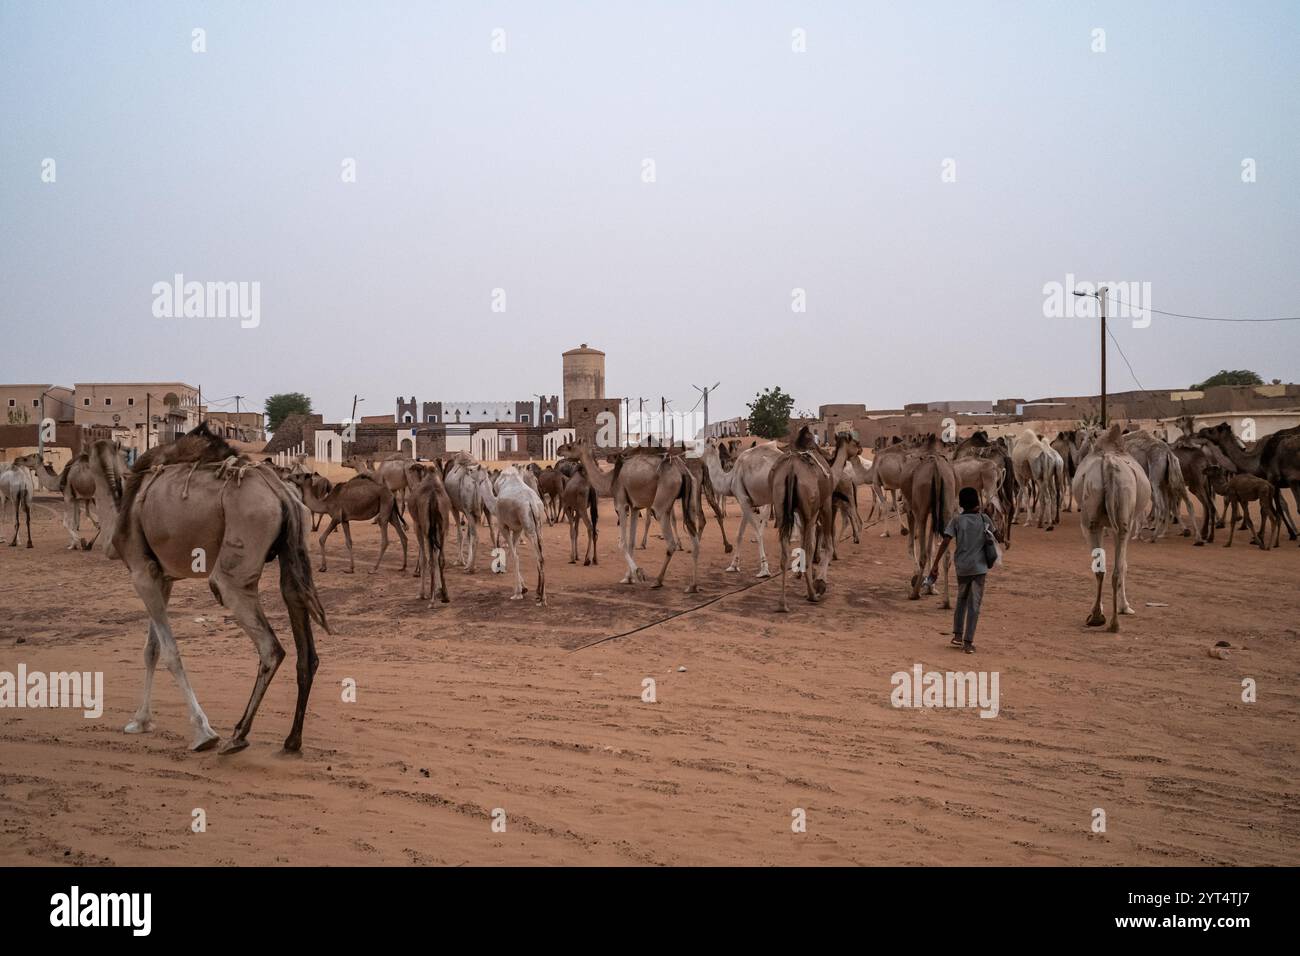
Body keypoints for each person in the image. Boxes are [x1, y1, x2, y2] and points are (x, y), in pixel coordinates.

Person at [927, 486, 996, 654]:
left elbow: (945, 541)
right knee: (975, 604)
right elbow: (997, 536)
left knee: (962, 599)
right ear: (977, 503)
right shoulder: (984, 518)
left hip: (962, 567)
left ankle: (957, 634)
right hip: (979, 568)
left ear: (962, 504)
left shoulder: (956, 520)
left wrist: (935, 564)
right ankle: (968, 641)